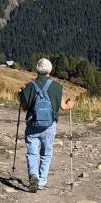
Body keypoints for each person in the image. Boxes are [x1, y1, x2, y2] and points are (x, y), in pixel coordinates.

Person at [17, 57, 74, 193]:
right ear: (50, 70)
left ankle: (33, 175)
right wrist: (70, 104)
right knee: (46, 154)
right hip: (49, 126)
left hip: (33, 125)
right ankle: (41, 181)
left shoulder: (31, 86)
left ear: (37, 70)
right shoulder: (57, 87)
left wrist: (20, 95)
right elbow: (64, 107)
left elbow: (24, 107)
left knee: (32, 153)